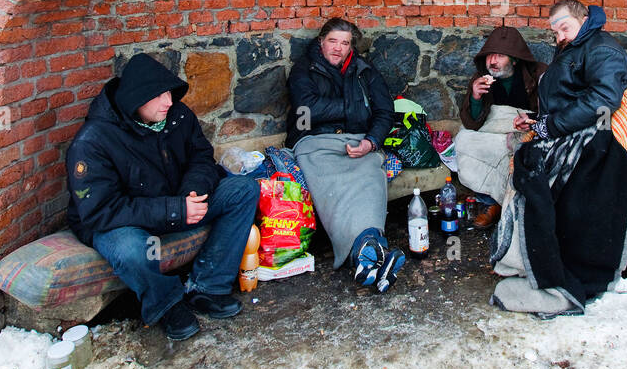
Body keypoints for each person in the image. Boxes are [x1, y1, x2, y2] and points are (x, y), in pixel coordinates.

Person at [65, 53, 260, 341]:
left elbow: (201, 157)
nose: (168, 101)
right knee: (130, 250)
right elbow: (101, 210)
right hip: (125, 222)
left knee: (243, 190)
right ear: (135, 99)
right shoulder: (93, 141)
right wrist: (174, 210)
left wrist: (192, 192)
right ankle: (166, 304)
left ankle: (207, 286)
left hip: (178, 201)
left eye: (169, 92)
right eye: (158, 96)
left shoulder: (177, 116)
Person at [489, 0, 627, 316]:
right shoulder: (575, 45)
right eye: (555, 32)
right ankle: (528, 259)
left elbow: (602, 99)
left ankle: (549, 271)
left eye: (564, 28)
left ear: (584, 19)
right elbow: (568, 98)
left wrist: (550, 127)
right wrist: (535, 120)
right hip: (571, 128)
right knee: (525, 155)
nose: (559, 37)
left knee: (534, 168)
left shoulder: (602, 48)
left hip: (596, 136)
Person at [285, 18, 405, 293]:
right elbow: (307, 111)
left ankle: (367, 250)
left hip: (357, 141)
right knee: (333, 186)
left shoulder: (365, 70)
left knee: (371, 173)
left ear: (352, 46)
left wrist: (372, 141)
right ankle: (370, 252)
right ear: (321, 41)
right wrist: (359, 110)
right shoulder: (304, 69)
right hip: (315, 142)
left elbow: (384, 112)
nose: (338, 48)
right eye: (333, 41)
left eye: (345, 43)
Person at [455, 26, 548, 229]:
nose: (492, 61)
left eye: (499, 56)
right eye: (489, 56)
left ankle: (505, 204)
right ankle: (492, 201)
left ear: (514, 59)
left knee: (516, 151)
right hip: (494, 133)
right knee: (463, 140)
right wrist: (476, 97)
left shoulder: (540, 75)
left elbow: (553, 113)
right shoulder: (480, 79)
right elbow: (472, 124)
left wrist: (530, 119)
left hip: (526, 133)